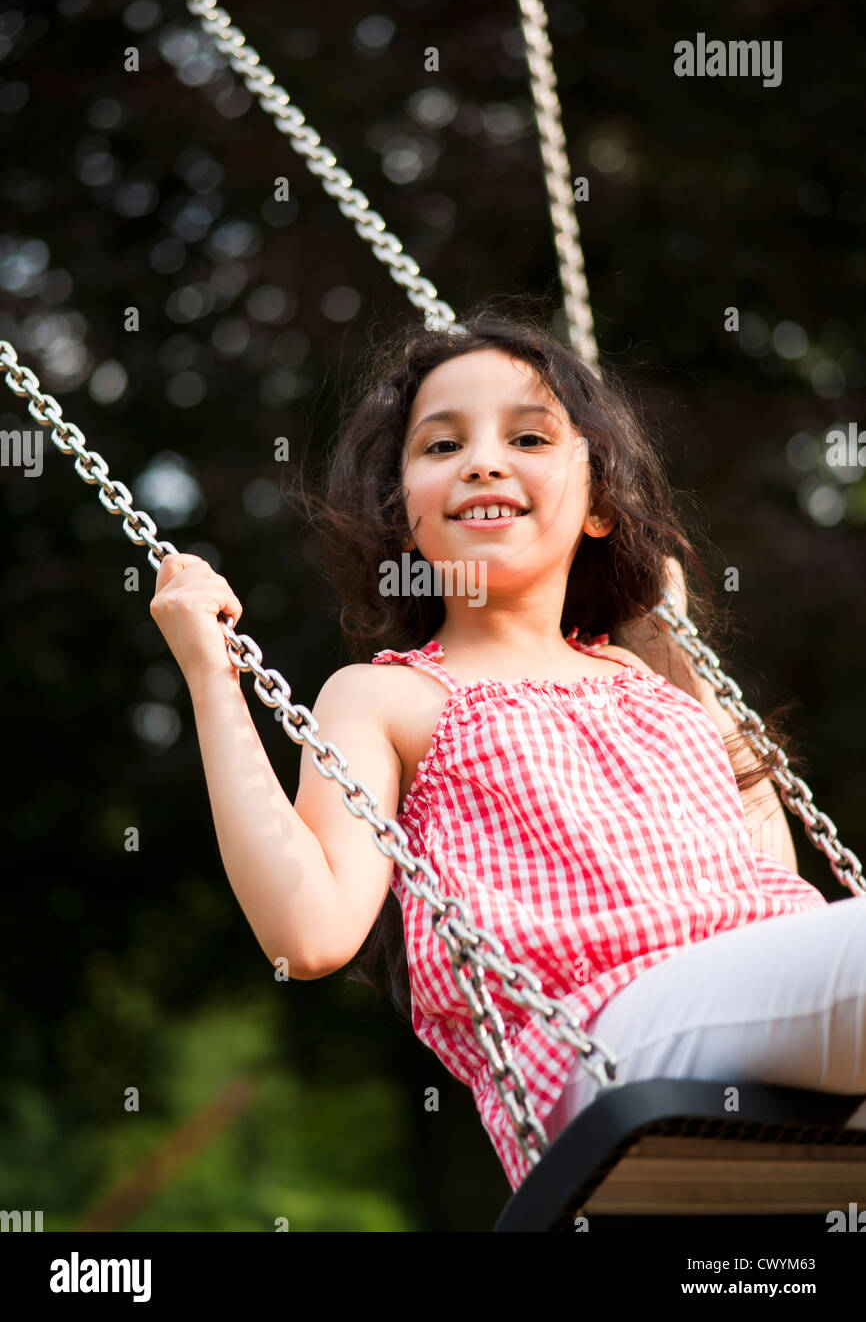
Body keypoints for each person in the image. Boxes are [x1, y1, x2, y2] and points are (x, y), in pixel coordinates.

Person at [149, 303, 866, 1195]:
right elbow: (310, 934)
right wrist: (210, 674)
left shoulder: (659, 690)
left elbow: (771, 886)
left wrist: (683, 652)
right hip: (606, 1046)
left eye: (528, 436)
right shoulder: (392, 696)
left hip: (772, 1021)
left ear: (601, 503)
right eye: (441, 446)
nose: (483, 458)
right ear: (405, 515)